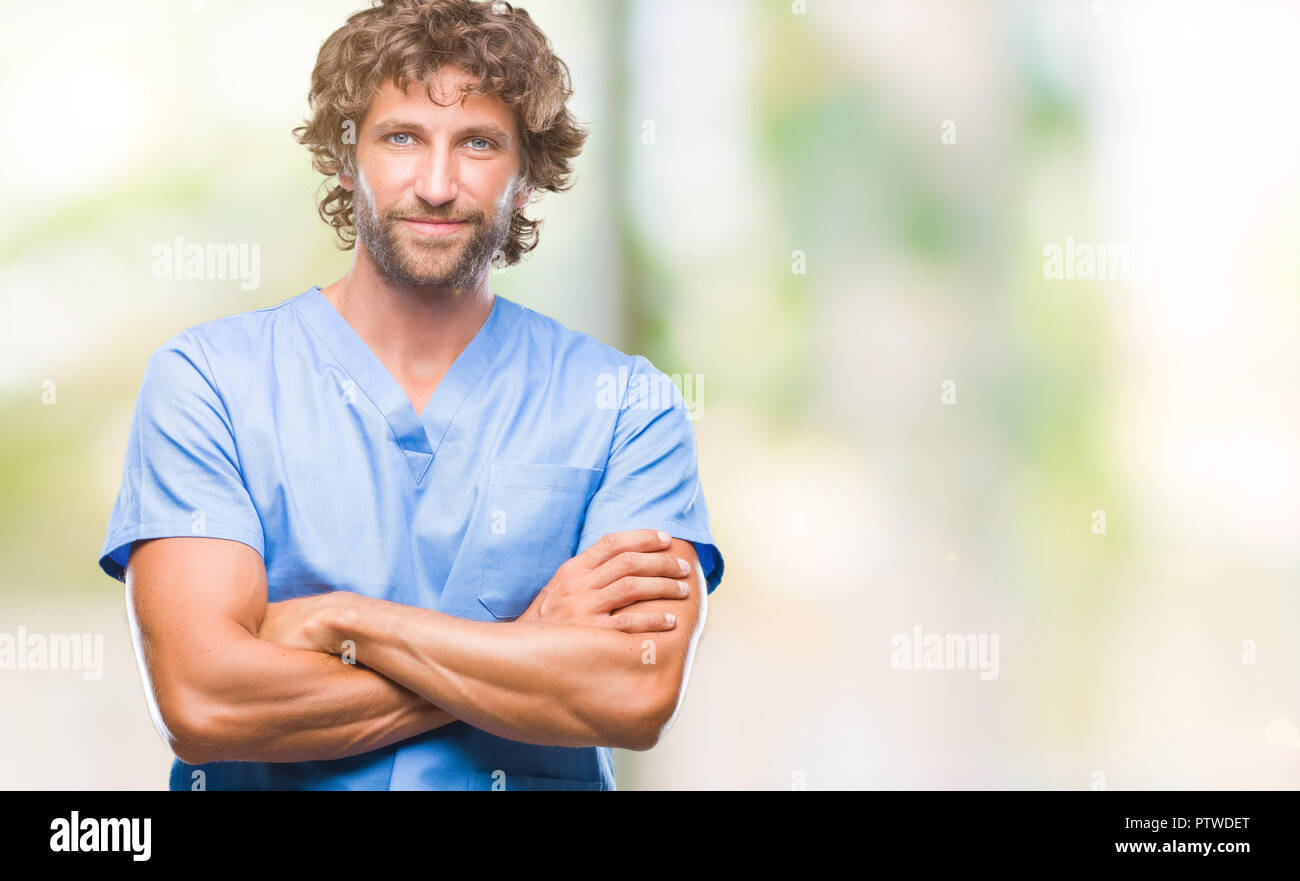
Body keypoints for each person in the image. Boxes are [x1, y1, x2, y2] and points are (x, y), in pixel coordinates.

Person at [96, 0, 723, 791]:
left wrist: (338, 621)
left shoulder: (627, 405)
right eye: (401, 137)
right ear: (344, 154)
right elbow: (203, 698)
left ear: (527, 173)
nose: (436, 183)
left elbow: (632, 690)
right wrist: (526, 646)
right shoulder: (208, 382)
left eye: (479, 144)